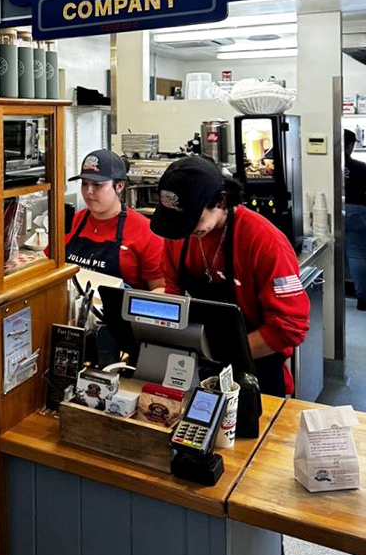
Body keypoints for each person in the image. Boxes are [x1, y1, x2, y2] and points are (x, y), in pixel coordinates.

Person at [150, 155, 309, 397]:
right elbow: (173, 288)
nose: (186, 229)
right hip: (196, 362)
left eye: (193, 219)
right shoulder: (183, 235)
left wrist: (217, 353)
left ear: (222, 200)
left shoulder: (264, 242)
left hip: (256, 371)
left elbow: (290, 328)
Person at [65, 149, 164, 289]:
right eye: (84, 184)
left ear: (119, 186)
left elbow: (161, 289)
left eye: (97, 185)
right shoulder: (76, 220)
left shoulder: (145, 231)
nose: (88, 191)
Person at [344, 129, 366, 310]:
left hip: (340, 211)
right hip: (358, 211)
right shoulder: (361, 168)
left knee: (354, 254)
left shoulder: (328, 166)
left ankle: (361, 297)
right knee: (358, 253)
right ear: (350, 146)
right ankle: (363, 297)